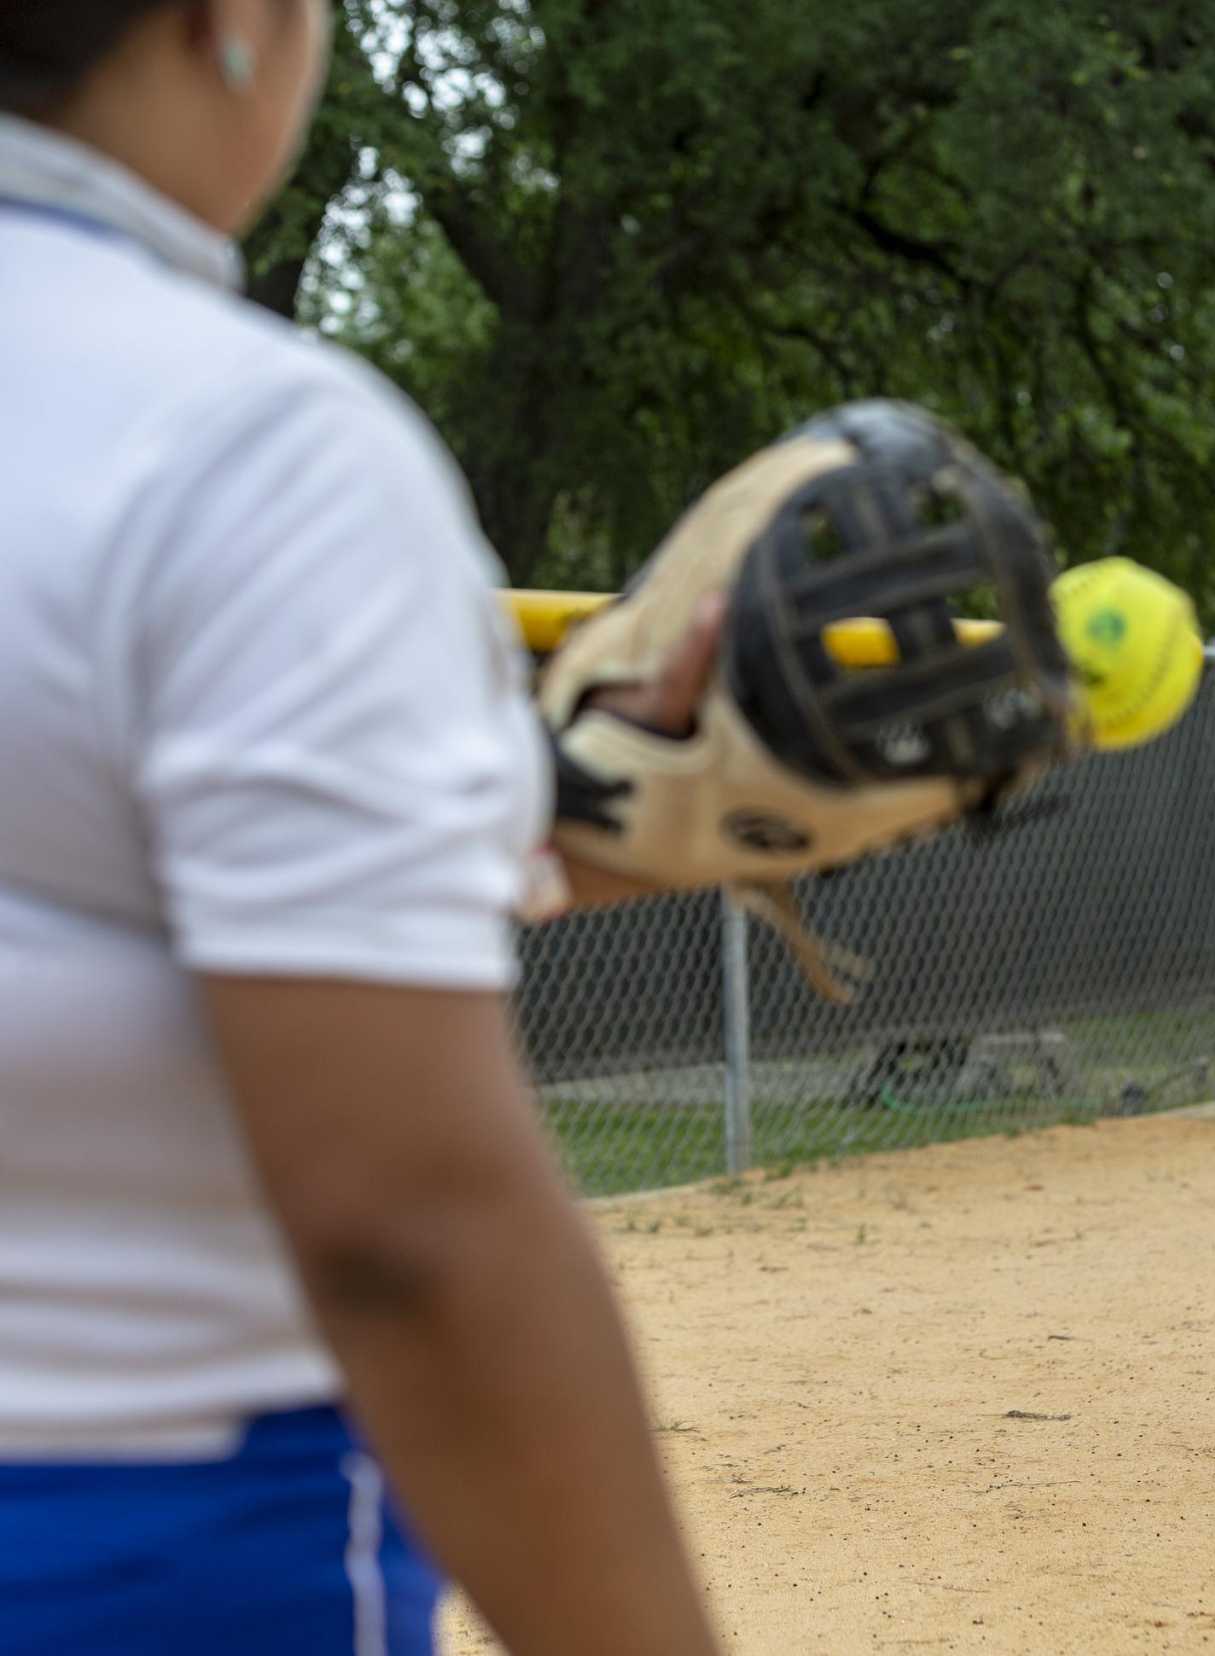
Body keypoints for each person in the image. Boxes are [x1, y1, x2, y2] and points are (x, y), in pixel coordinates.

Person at [0, 2, 727, 1649]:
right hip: (131, 1550)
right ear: (231, 25)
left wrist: (551, 796)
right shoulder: (247, 449)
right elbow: (408, 1229)